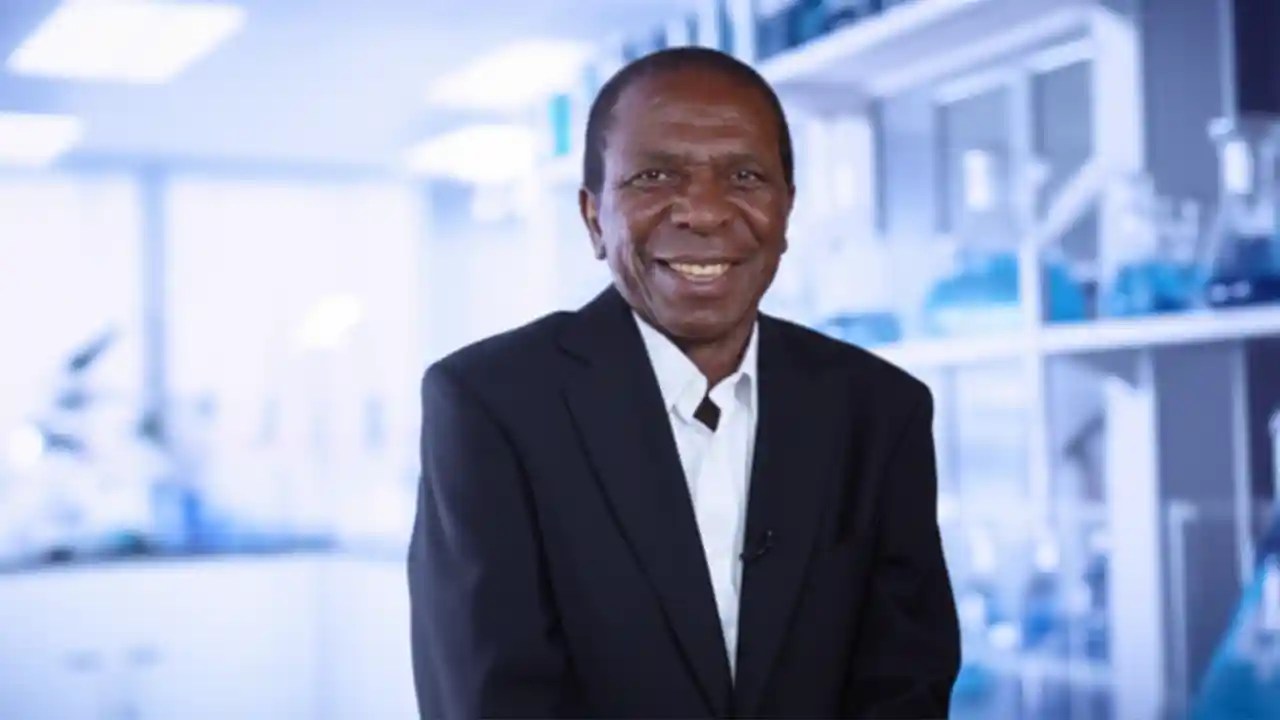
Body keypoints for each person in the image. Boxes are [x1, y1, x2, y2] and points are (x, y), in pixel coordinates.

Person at [407, 46, 961, 719]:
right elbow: (490, 700)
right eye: (654, 176)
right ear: (593, 218)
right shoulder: (490, 404)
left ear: (787, 211)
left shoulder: (880, 411)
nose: (703, 211)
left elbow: (905, 687)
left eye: (746, 175)